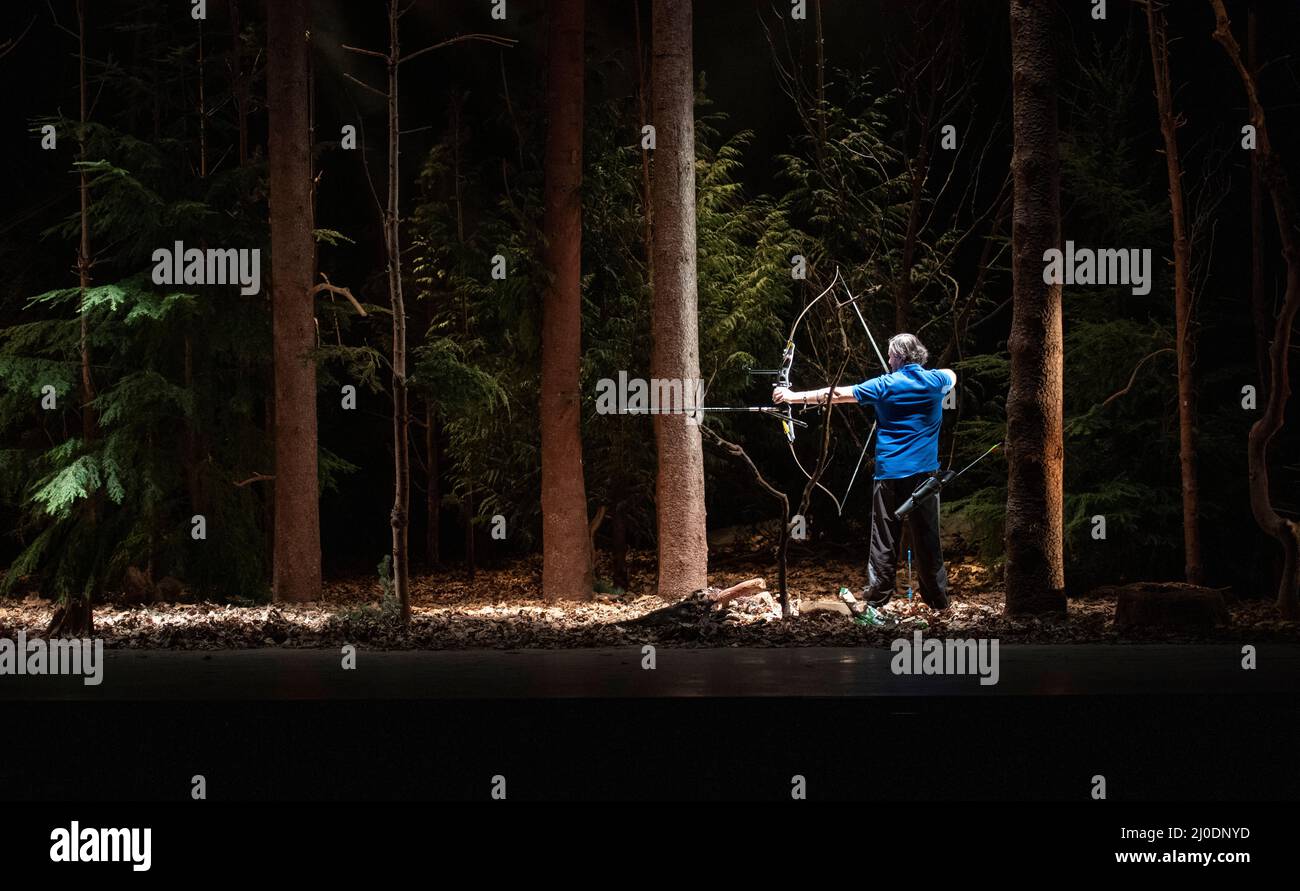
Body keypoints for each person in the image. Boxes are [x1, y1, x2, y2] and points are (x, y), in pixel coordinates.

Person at [772, 333, 955, 613]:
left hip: (890, 475)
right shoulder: (936, 382)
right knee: (928, 537)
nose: (889, 359)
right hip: (926, 477)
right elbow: (950, 374)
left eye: (891, 355)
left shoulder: (885, 384)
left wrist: (792, 397)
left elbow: (837, 394)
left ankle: (877, 602)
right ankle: (938, 602)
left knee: (885, 538)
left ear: (900, 357)